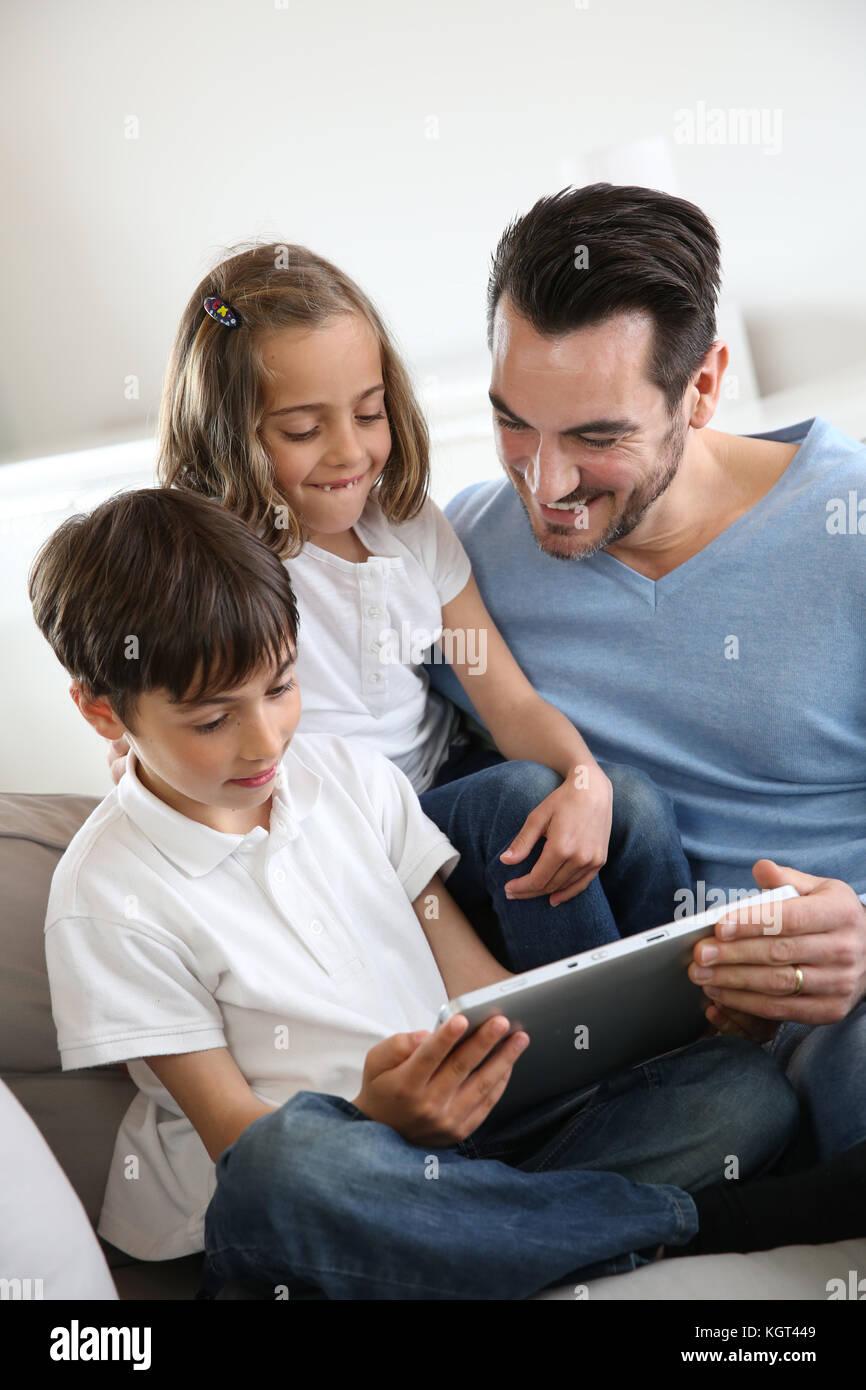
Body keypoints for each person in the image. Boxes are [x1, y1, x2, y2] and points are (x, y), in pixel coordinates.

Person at [29, 486, 799, 1299]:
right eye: (213, 720)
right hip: (326, 1182)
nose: (264, 741)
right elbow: (234, 1138)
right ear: (102, 711)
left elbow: (477, 989)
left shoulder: (353, 780)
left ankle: (489, 1244)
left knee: (745, 1094)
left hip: (474, 1142)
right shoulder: (104, 895)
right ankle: (676, 1223)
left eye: (282, 687)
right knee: (283, 1167)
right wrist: (379, 1118)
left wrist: (617, 1023)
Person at [425, 182, 866, 1254]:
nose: (545, 482)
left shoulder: (846, 529)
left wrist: (857, 927)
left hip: (838, 1011)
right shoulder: (458, 563)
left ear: (703, 386)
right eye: (509, 423)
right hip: (645, 1061)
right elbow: (314, 743)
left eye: (593, 435)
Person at [107, 242, 696, 974]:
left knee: (630, 801)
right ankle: (593, 1054)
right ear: (229, 432)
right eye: (302, 430)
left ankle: (692, 1011)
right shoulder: (217, 565)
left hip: (444, 782)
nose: (350, 452)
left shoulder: (407, 525)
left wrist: (585, 780)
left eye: (369, 413)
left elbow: (507, 702)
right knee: (517, 802)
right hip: (355, 836)